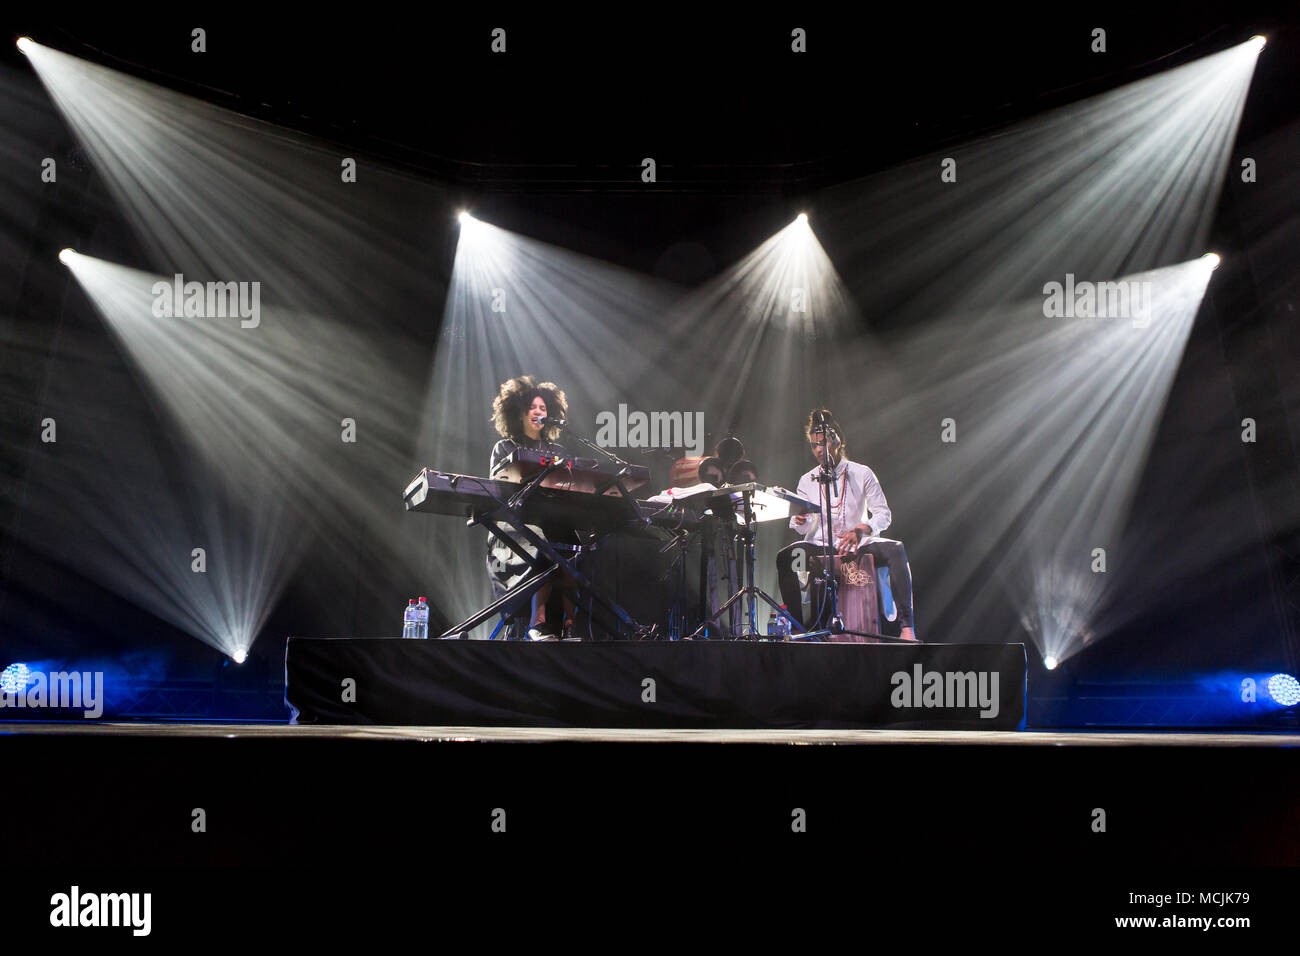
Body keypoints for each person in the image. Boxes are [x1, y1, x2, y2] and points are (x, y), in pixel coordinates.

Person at [775, 410, 917, 641]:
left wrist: (862, 529)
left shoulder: (861, 473)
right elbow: (802, 527)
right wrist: (801, 520)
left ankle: (907, 628)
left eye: (823, 443)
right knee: (786, 557)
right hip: (823, 545)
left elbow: (883, 514)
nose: (819, 450)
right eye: (814, 446)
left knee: (896, 549)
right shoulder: (807, 479)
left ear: (837, 441)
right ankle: (798, 627)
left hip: (859, 545)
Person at [486, 375, 579, 641]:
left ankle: (569, 625)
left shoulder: (557, 449)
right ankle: (537, 624)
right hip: (515, 522)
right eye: (533, 408)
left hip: (553, 517)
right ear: (520, 412)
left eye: (543, 408)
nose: (539, 412)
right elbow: (498, 488)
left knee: (575, 550)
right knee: (542, 544)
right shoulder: (504, 447)